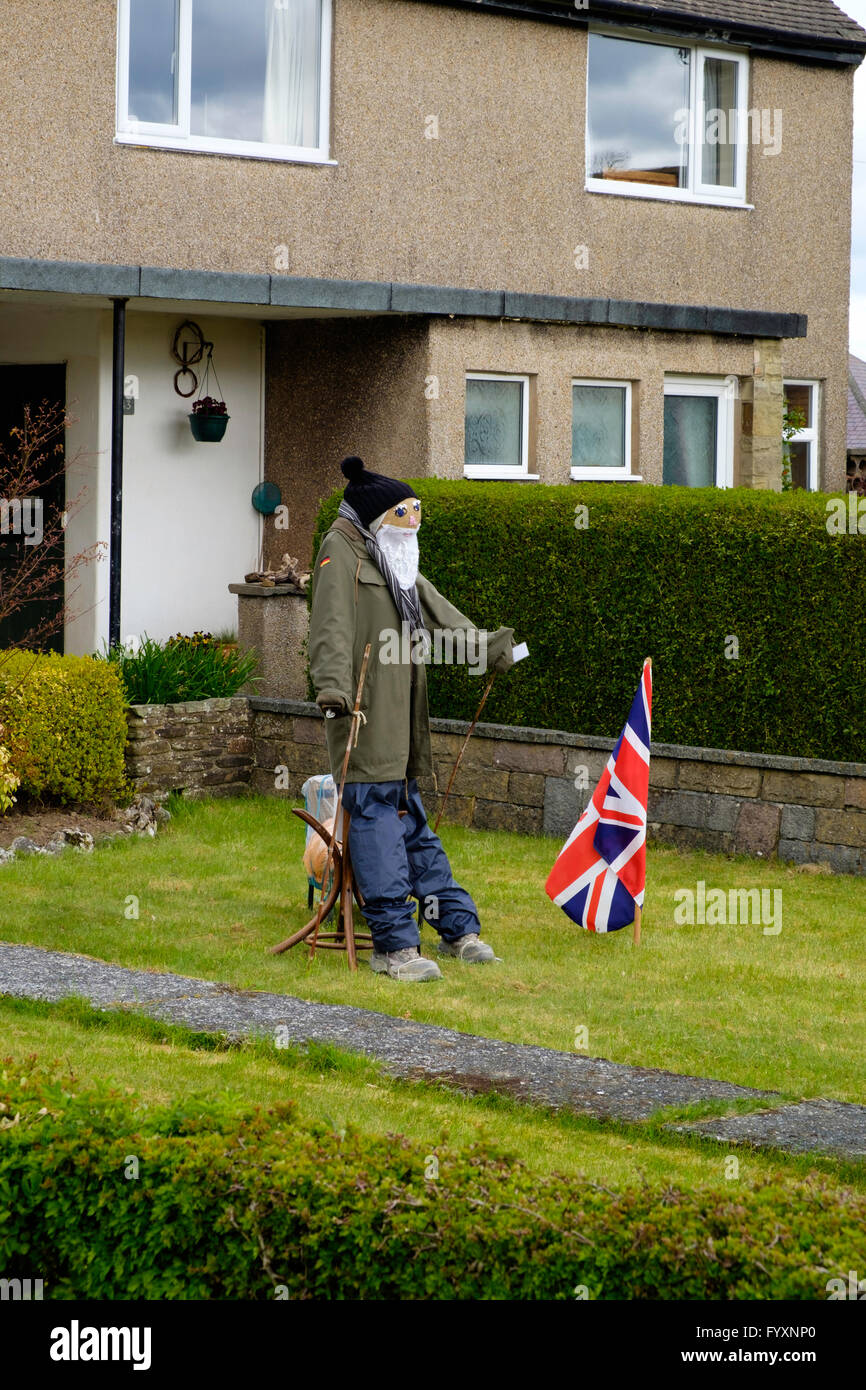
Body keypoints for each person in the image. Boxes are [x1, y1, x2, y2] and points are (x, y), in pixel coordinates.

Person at [308, 456, 518, 982]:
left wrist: (489, 648)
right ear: (380, 514)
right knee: (377, 817)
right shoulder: (342, 549)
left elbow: (435, 611)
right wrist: (332, 690)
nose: (415, 520)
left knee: (410, 817)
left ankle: (456, 929)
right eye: (407, 511)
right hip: (360, 712)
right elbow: (330, 623)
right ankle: (395, 947)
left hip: (401, 715)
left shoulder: (389, 554)